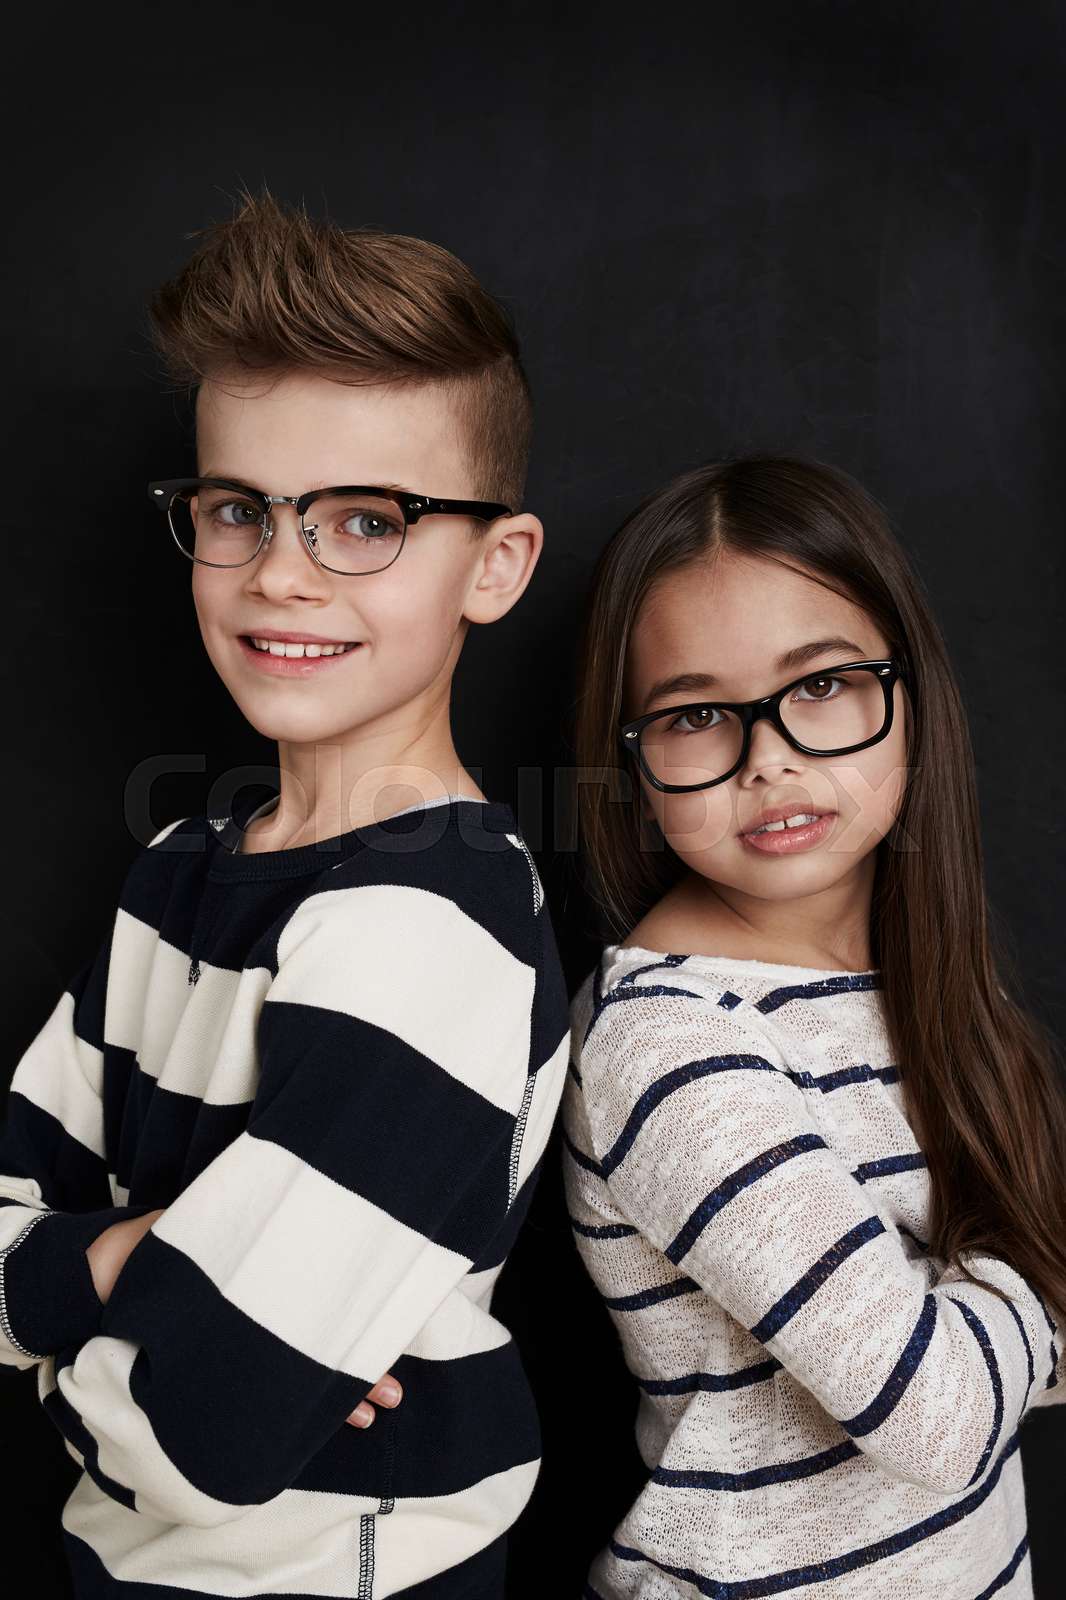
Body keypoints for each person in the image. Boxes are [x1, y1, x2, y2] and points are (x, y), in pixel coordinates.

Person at [0, 188, 570, 1599]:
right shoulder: (180, 867)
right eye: (238, 509)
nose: (281, 574)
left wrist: (76, 1318)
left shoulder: (437, 931)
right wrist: (151, 1264)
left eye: (365, 520)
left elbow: (205, 1432)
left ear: (493, 565)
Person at [563, 454, 1066, 1598]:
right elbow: (937, 1416)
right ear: (634, 768)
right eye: (696, 714)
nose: (771, 758)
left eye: (823, 685)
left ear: (909, 695)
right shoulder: (670, 1041)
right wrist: (1038, 1264)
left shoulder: (919, 977)